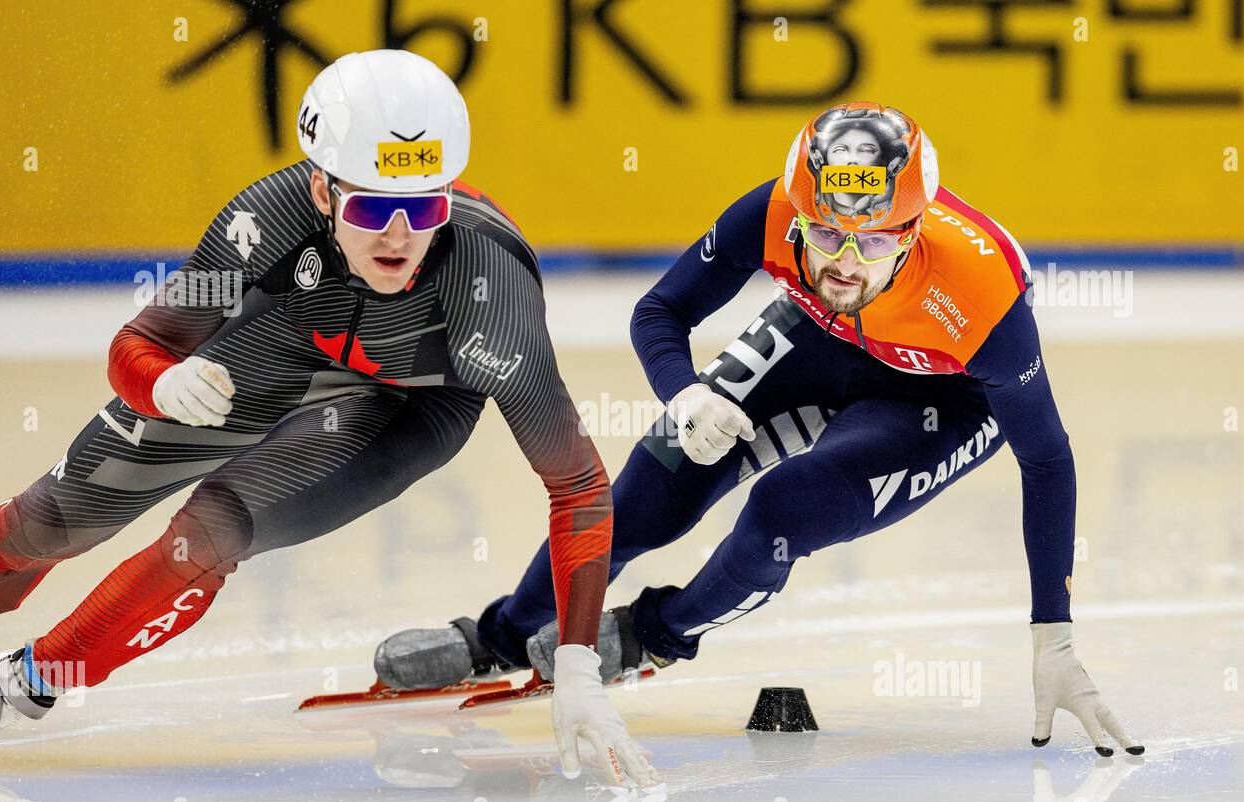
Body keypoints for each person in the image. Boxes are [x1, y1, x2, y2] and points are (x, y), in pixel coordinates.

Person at [376, 103, 1143, 758]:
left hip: (937, 398)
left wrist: (1055, 634)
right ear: (797, 210)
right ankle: (500, 635)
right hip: (814, 340)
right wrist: (684, 397)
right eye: (824, 232)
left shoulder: (979, 292)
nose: (844, 260)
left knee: (784, 511)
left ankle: (653, 632)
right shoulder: (772, 211)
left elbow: (1047, 458)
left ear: (914, 232)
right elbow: (659, 312)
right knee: (647, 493)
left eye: (873, 240)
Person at [0, 50, 654, 787]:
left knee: (212, 531)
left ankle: (27, 679)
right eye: (371, 208)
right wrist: (163, 382)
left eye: (425, 207)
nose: (398, 236)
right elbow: (139, 344)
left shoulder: (489, 300)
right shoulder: (264, 217)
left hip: (414, 399)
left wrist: (580, 664)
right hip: (290, 339)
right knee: (54, 517)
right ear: (322, 194)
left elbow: (578, 485)